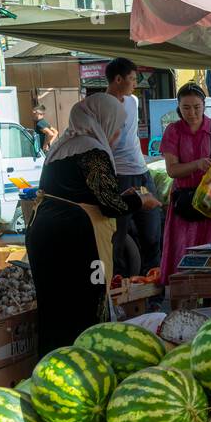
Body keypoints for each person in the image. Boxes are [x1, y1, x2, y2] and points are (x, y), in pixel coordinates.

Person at [28, 92, 161, 355]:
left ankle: (52, 361)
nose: (117, 136)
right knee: (85, 302)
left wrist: (124, 197)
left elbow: (85, 193)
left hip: (43, 232)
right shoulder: (92, 149)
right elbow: (109, 205)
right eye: (116, 128)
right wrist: (140, 202)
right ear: (103, 120)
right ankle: (85, 361)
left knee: (54, 305)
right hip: (76, 237)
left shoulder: (61, 146)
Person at [159, 81, 211, 276]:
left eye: (196, 107)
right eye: (186, 108)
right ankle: (182, 297)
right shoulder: (173, 131)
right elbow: (172, 170)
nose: (192, 113)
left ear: (204, 106)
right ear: (178, 107)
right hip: (185, 200)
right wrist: (196, 165)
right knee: (183, 249)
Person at [105, 57, 161, 274]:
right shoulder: (102, 105)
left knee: (152, 233)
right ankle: (119, 291)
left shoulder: (133, 102)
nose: (135, 83)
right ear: (118, 79)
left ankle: (153, 286)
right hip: (120, 176)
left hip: (142, 173)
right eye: (132, 79)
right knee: (116, 236)